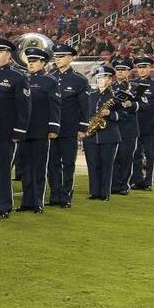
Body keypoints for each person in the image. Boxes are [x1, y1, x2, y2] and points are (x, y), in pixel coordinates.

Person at [0, 38, 29, 219]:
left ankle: (3, 206)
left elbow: (24, 107)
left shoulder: (17, 77)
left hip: (6, 132)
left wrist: (19, 130)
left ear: (9, 55)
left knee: (1, 170)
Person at [16, 46, 60, 213]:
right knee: (25, 168)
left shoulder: (50, 81)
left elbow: (55, 106)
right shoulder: (23, 79)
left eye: (34, 61)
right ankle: (26, 202)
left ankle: (37, 202)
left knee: (39, 168)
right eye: (29, 61)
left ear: (43, 62)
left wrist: (53, 127)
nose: (31, 64)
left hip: (41, 130)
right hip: (24, 130)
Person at [46, 42, 88, 208]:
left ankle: (66, 196)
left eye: (61, 56)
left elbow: (85, 107)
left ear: (70, 58)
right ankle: (55, 195)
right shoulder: (49, 77)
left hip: (69, 129)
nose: (57, 59)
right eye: (56, 56)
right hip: (50, 128)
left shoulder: (79, 80)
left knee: (68, 164)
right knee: (52, 164)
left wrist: (82, 127)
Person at [83, 66, 121, 200]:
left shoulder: (116, 96)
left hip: (109, 135)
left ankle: (105, 194)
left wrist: (111, 114)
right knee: (92, 164)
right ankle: (94, 192)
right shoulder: (91, 95)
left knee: (107, 165)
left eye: (103, 77)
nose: (100, 80)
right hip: (91, 135)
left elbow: (126, 115)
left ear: (110, 80)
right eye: (98, 77)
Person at [131, 56, 154, 191]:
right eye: (139, 67)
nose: (142, 70)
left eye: (144, 67)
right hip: (134, 126)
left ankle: (149, 182)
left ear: (149, 68)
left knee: (150, 155)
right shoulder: (132, 85)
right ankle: (137, 180)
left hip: (150, 126)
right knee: (135, 155)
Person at [109, 59, 140, 195]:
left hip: (129, 128)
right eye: (118, 69)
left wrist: (131, 105)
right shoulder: (110, 87)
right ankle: (113, 185)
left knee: (126, 157)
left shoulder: (135, 87)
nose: (120, 72)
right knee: (113, 157)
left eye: (123, 69)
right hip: (113, 126)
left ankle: (123, 185)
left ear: (128, 71)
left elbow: (144, 105)